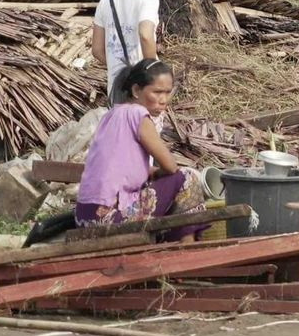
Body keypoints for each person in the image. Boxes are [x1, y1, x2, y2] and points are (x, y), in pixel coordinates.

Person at [74, 59, 206, 241]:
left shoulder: (110, 115)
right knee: (187, 178)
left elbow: (119, 168)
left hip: (84, 217)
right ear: (136, 90)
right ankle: (188, 246)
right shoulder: (137, 114)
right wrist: (158, 174)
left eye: (167, 93)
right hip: (110, 217)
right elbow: (170, 167)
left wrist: (150, 173)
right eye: (157, 92)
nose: (163, 100)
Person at [92, 0, 159, 101]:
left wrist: (118, 68)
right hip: (143, 87)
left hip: (116, 88)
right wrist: (153, 72)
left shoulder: (106, 1)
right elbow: (145, 35)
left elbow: (96, 50)